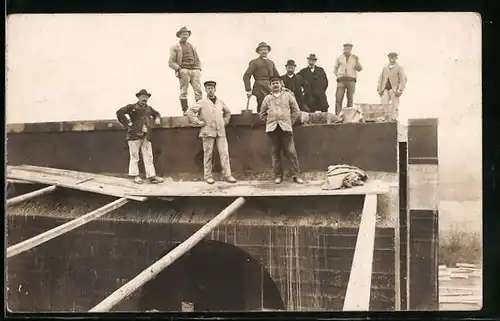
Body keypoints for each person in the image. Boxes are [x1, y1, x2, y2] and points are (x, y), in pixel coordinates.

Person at [187, 80, 238, 184]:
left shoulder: (220, 102)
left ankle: (227, 175)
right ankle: (208, 176)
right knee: (208, 154)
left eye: (212, 88)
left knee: (224, 153)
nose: (210, 90)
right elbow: (190, 112)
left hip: (220, 131)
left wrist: (225, 121)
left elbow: (227, 112)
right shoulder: (202, 102)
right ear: (205, 90)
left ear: (215, 89)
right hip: (207, 131)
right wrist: (198, 122)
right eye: (208, 88)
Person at [260, 76, 304, 185]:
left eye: (277, 83)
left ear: (281, 84)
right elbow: (262, 114)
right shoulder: (267, 99)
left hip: (286, 128)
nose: (275, 85)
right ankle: (278, 176)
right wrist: (271, 121)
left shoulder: (288, 96)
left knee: (291, 152)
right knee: (275, 154)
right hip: (272, 130)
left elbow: (296, 111)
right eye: (273, 83)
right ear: (270, 86)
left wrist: (289, 121)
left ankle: (296, 176)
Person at [116, 89, 164, 184]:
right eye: (142, 97)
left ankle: (152, 176)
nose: (144, 99)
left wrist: (157, 119)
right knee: (134, 156)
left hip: (146, 135)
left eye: (146, 97)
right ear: (138, 97)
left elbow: (156, 113)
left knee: (148, 156)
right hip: (134, 135)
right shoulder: (132, 107)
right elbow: (119, 112)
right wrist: (127, 123)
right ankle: (135, 176)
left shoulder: (149, 108)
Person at [168, 26, 202, 115]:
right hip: (184, 70)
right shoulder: (175, 47)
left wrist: (199, 69)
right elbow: (171, 62)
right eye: (183, 34)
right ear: (179, 35)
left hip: (194, 70)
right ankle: (185, 110)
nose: (185, 36)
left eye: (186, 34)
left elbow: (197, 59)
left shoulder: (192, 46)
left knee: (198, 90)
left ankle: (199, 110)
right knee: (184, 91)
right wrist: (179, 69)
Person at [243, 42, 280, 113]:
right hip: (259, 86)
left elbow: (277, 76)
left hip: (270, 86)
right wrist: (248, 90)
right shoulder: (254, 62)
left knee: (273, 105)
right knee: (263, 104)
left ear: (268, 51)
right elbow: (246, 76)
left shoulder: (271, 63)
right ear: (259, 52)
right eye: (261, 50)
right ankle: (261, 121)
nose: (263, 51)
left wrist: (281, 86)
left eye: (265, 49)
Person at [333, 43, 363, 115]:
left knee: (350, 99)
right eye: (345, 49)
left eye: (348, 49)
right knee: (339, 98)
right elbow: (335, 69)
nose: (347, 50)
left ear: (351, 49)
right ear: (343, 49)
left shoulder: (354, 58)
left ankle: (349, 116)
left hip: (351, 80)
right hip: (341, 80)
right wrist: (339, 75)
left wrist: (357, 61)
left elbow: (359, 69)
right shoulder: (339, 58)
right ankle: (338, 115)